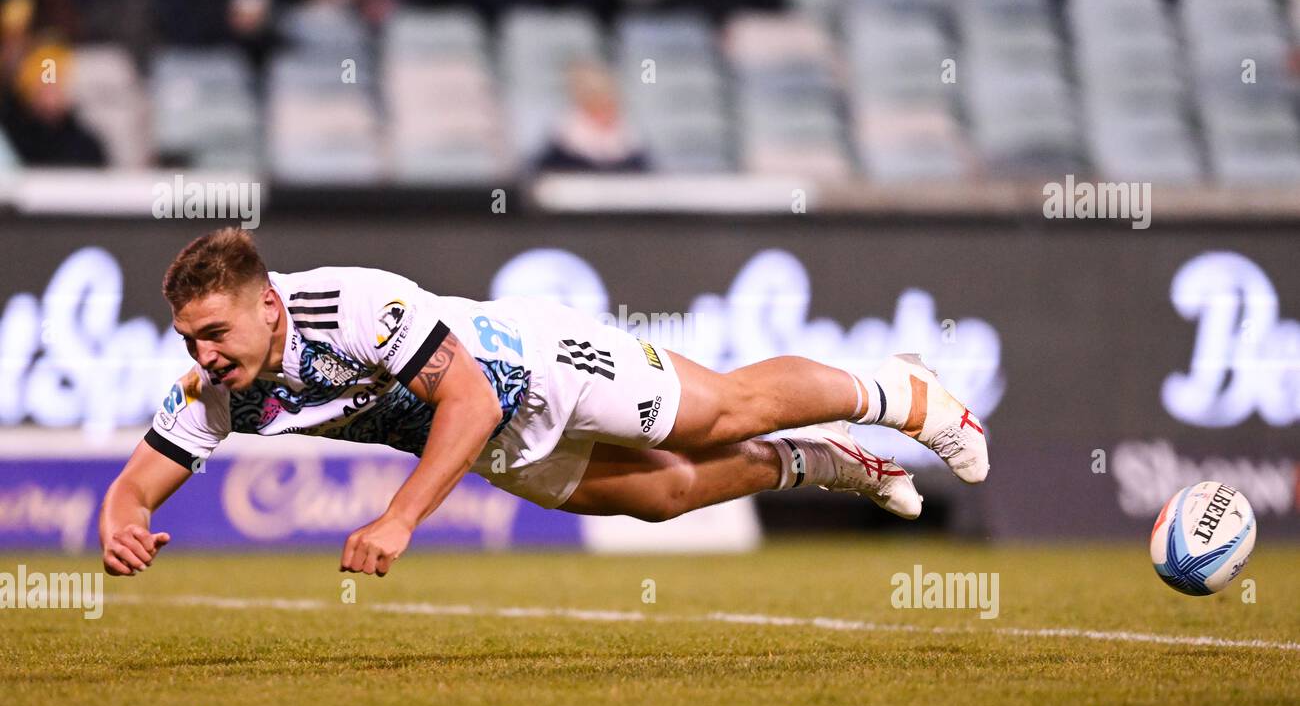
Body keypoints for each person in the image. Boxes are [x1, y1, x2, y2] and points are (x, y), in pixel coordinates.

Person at [97, 229, 989, 578]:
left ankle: (902, 391)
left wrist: (400, 521)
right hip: (482, 435)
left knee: (720, 412)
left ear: (268, 303)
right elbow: (138, 483)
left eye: (215, 331)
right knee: (664, 496)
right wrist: (120, 524)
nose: (204, 353)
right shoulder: (219, 385)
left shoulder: (355, 305)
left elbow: (473, 399)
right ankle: (825, 460)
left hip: (533, 366)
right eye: (188, 339)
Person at [534, 61, 649, 172]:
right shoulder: (559, 150)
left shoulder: (633, 149)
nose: (604, 107)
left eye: (608, 100)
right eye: (596, 101)